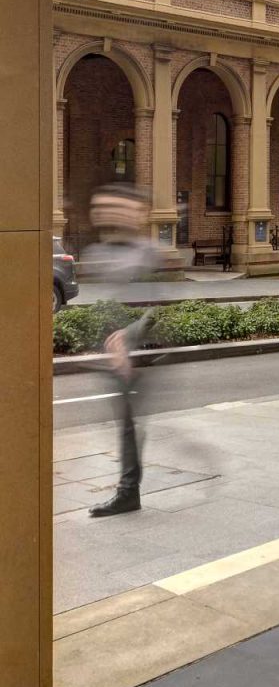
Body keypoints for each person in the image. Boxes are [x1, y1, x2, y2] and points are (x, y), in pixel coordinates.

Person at [82, 186, 162, 517]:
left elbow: (158, 308)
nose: (104, 212)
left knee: (130, 423)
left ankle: (129, 491)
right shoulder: (99, 252)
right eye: (100, 205)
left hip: (143, 355)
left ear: (136, 212)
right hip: (118, 358)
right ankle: (129, 490)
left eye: (114, 206)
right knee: (127, 423)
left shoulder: (147, 255)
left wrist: (127, 339)